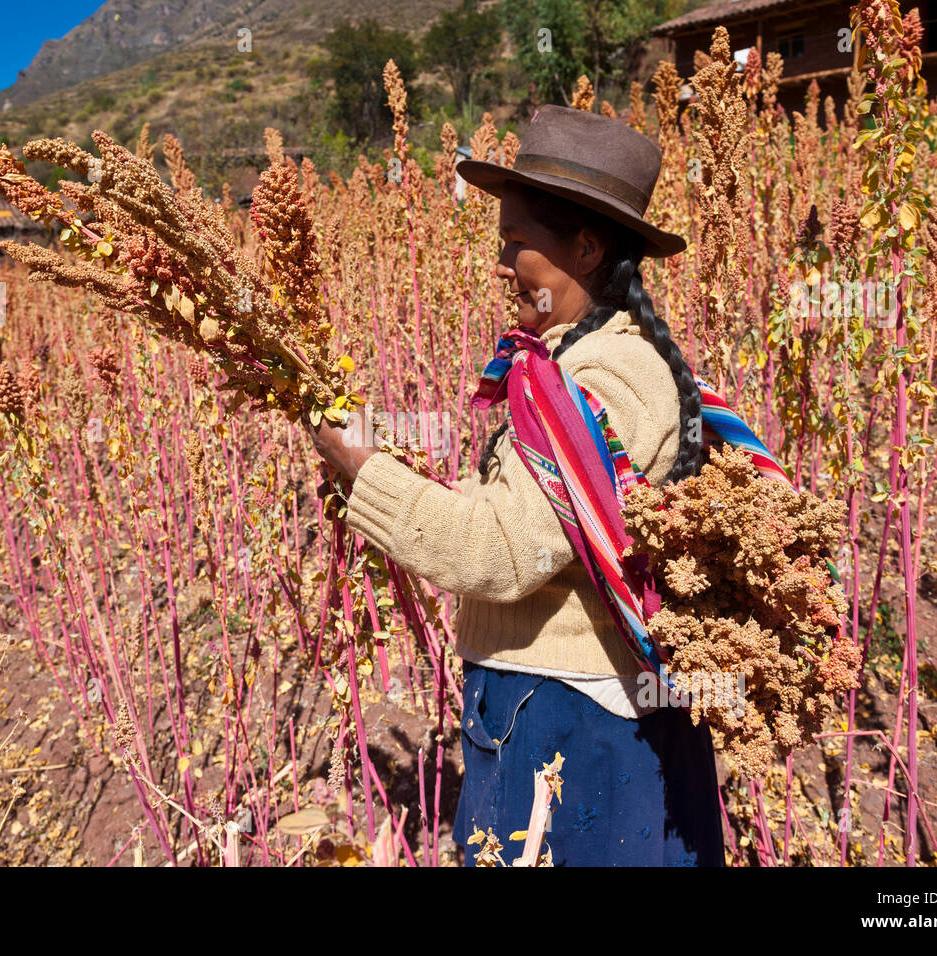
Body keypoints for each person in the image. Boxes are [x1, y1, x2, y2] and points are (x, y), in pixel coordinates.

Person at [303, 105, 725, 866]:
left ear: (588, 249)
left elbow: (501, 548)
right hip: (546, 703)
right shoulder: (566, 366)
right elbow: (526, 512)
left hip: (576, 720)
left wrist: (362, 468)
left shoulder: (609, 375)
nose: (502, 265)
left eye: (516, 245)